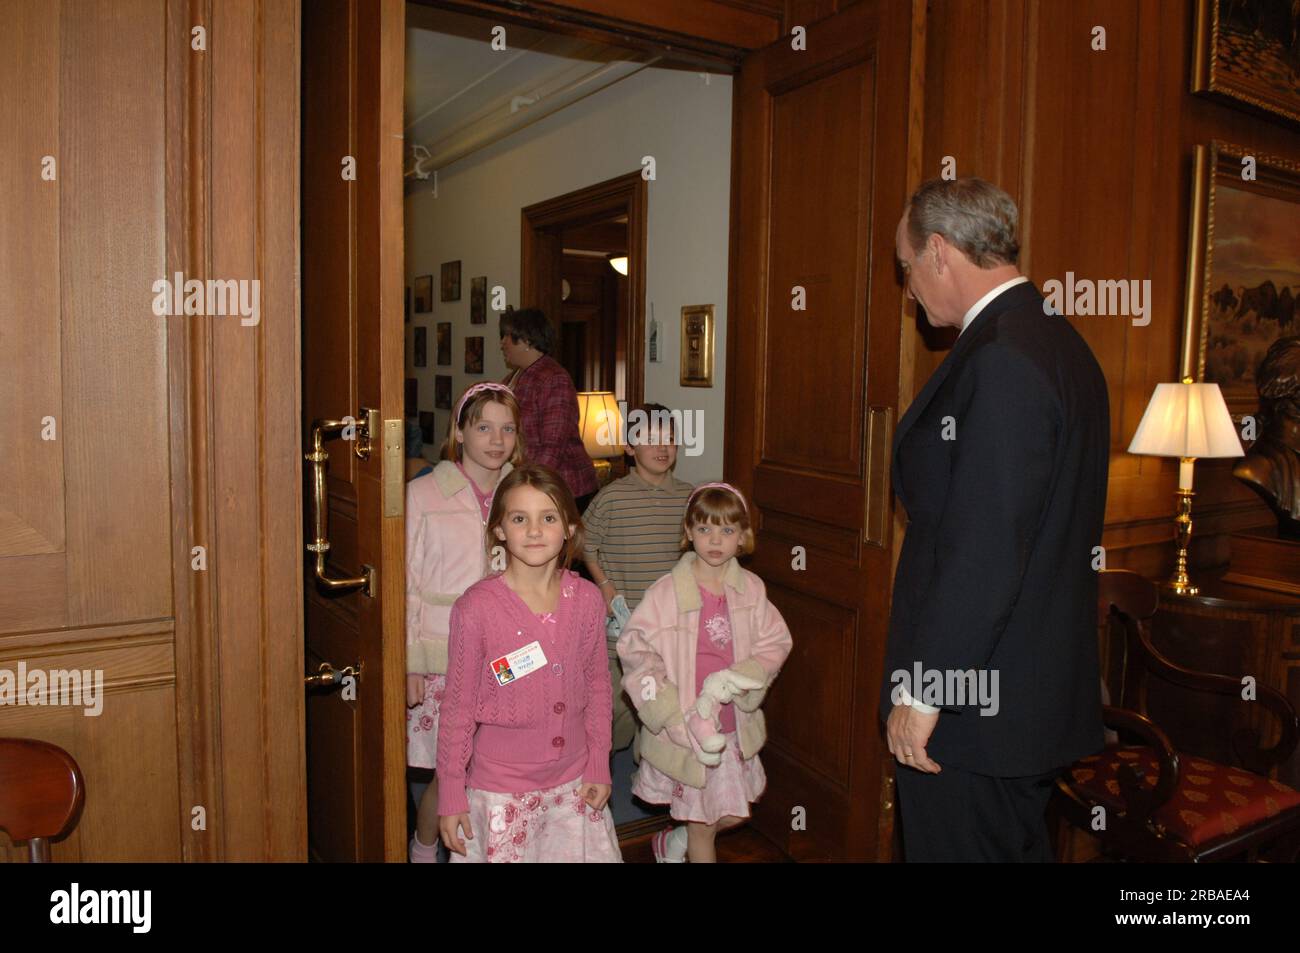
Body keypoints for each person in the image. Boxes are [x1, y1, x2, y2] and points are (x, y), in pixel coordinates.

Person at [881, 177, 1110, 862]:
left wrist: (926, 692)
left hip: (976, 712)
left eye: (907, 267)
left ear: (940, 251)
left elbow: (985, 552)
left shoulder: (1005, 356)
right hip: (1020, 698)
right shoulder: (1058, 339)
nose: (909, 289)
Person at [436, 464, 621, 863]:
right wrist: (451, 792)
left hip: (574, 783)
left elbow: (598, 687)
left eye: (548, 518)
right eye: (520, 519)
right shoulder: (476, 609)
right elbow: (457, 707)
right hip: (501, 790)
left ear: (569, 528)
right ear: (500, 529)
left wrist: (598, 762)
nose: (535, 531)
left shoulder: (587, 600)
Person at [618, 483, 792, 863]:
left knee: (732, 813)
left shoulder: (751, 589)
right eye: (704, 529)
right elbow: (635, 650)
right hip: (687, 729)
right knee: (703, 826)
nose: (715, 540)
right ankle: (688, 841)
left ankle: (673, 841)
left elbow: (775, 641)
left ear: (742, 537)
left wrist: (743, 677)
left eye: (727, 530)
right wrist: (667, 713)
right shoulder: (666, 592)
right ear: (688, 531)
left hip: (731, 725)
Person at [405, 382, 523, 862]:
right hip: (443, 657)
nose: (497, 440)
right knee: (449, 771)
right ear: (459, 432)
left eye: (507, 429)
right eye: (484, 428)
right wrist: (411, 662)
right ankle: (424, 848)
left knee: (499, 763)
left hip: (508, 656)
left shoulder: (523, 492)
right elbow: (407, 583)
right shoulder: (422, 494)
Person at [582, 403, 695, 752]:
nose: (663, 448)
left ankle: (649, 770)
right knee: (616, 710)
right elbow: (584, 545)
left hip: (670, 628)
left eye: (670, 439)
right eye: (651, 439)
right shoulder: (612, 497)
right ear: (629, 447)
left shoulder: (689, 497)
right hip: (624, 626)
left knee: (664, 708)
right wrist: (604, 585)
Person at [500, 308, 599, 510]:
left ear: (527, 339)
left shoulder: (553, 378)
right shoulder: (512, 378)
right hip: (528, 483)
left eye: (507, 336)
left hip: (563, 488)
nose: (502, 343)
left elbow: (553, 446)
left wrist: (528, 487)